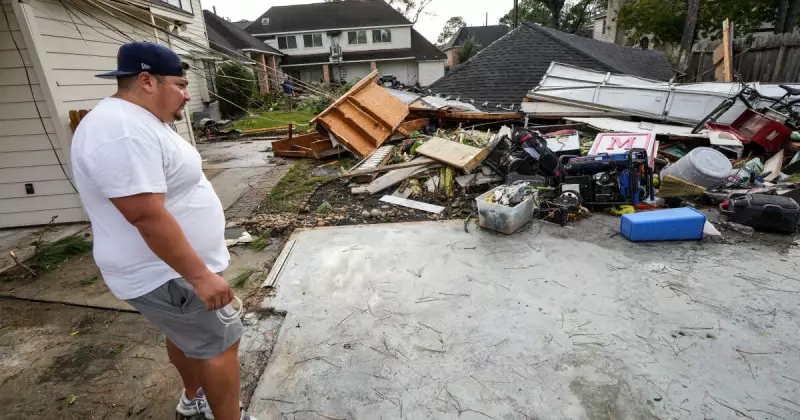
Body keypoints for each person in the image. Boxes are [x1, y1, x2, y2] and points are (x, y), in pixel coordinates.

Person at [70, 41, 255, 420]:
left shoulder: (141, 120)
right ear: (147, 81)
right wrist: (200, 276)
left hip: (174, 270)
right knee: (221, 345)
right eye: (180, 84)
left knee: (186, 335)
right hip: (168, 274)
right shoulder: (121, 130)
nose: (187, 95)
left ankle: (194, 397)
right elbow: (146, 215)